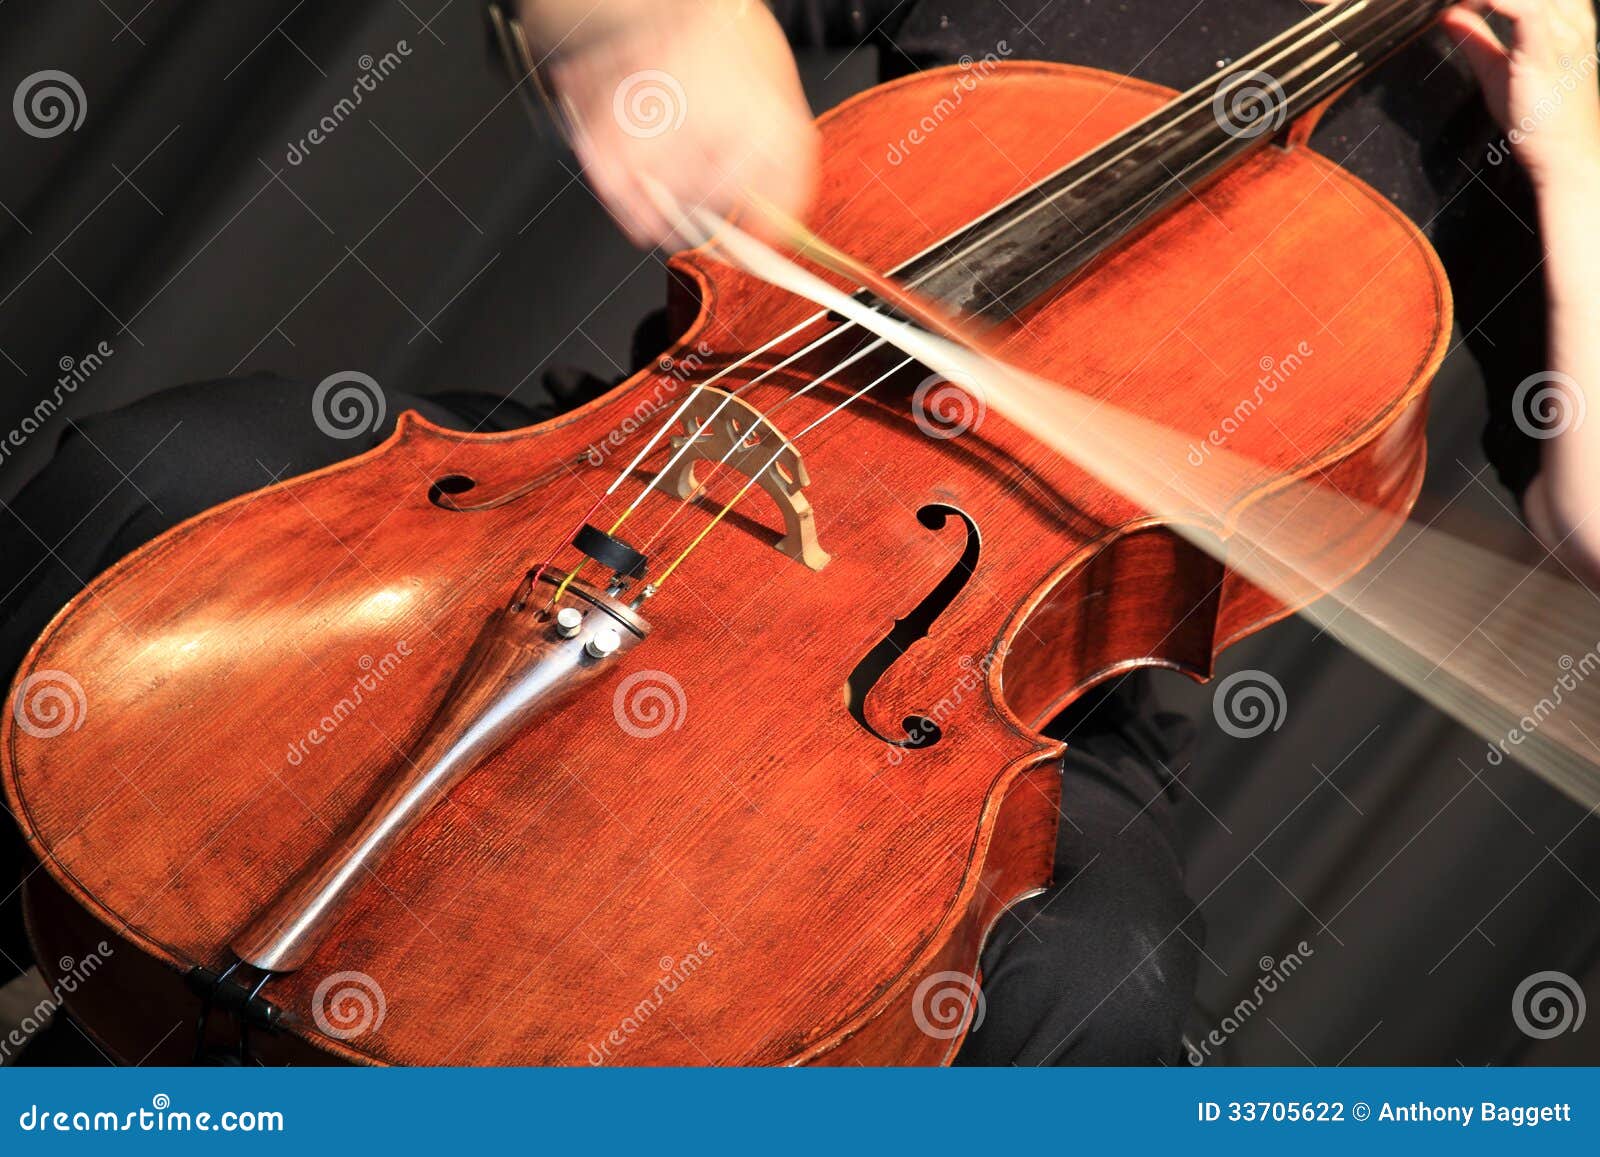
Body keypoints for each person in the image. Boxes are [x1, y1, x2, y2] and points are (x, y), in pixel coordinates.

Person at [1, 0, 1594, 1065]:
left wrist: (1572, 136)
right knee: (161, 476)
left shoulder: (1560, 138)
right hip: (654, 455)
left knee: (1089, 998)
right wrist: (633, 28)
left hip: (1003, 683)